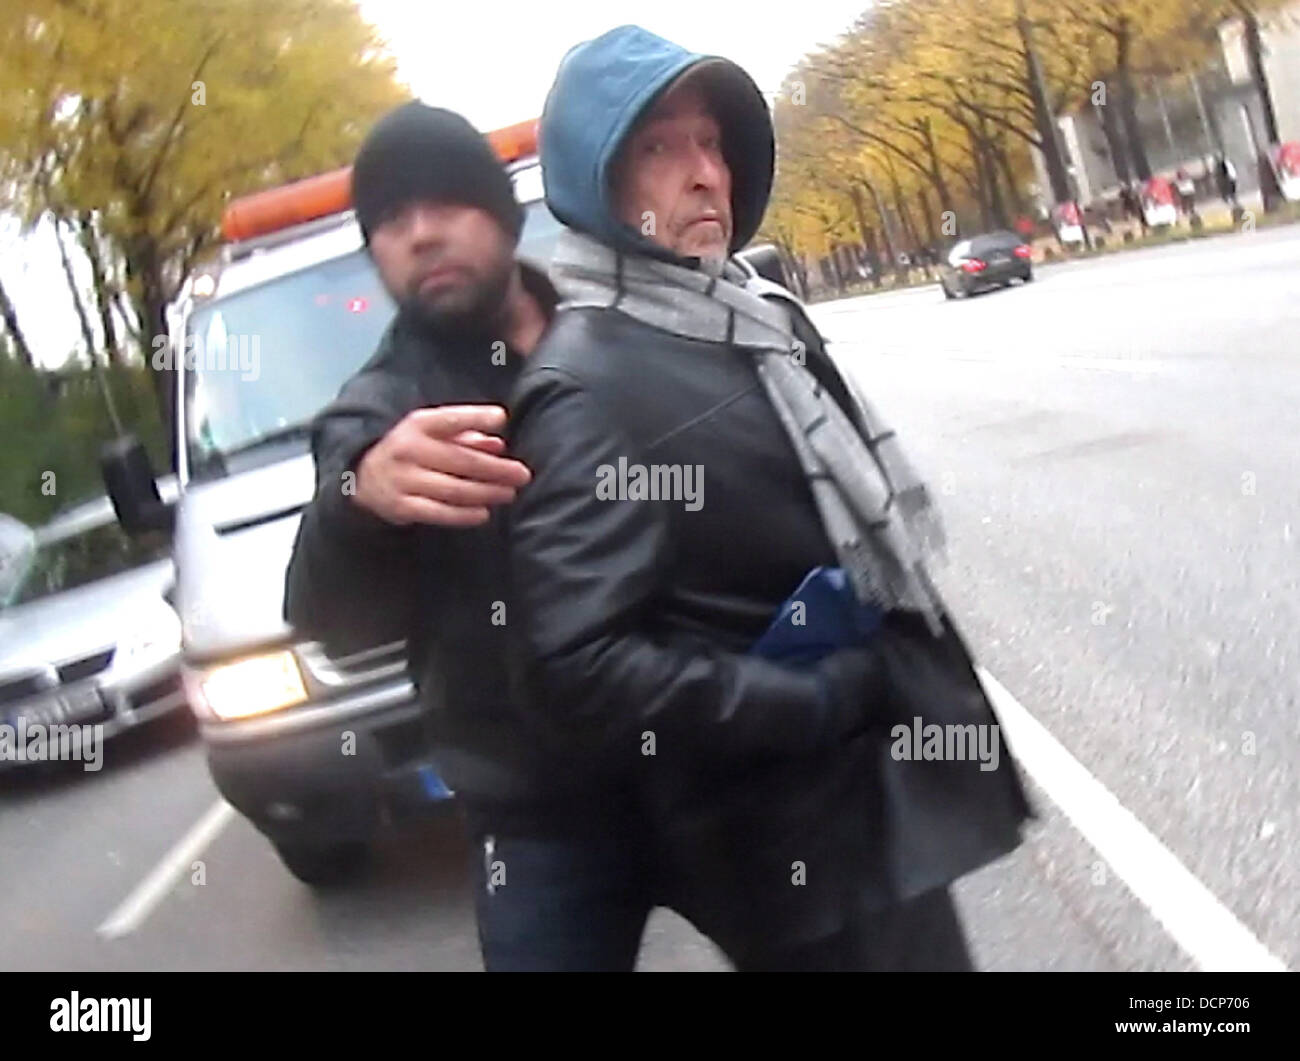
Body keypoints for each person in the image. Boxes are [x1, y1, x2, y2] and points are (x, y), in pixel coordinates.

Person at [505, 24, 1033, 971]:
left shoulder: (755, 318)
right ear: (598, 180)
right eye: (660, 148)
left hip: (871, 807)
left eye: (711, 142)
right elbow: (581, 669)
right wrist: (810, 699)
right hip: (787, 845)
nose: (705, 174)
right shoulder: (584, 386)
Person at [282, 102, 634, 970]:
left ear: (505, 214)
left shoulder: (619, 321)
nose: (421, 234)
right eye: (391, 221)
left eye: (446, 202)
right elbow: (328, 617)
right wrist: (359, 499)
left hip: (708, 753)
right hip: (536, 815)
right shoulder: (377, 412)